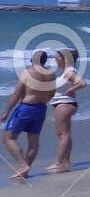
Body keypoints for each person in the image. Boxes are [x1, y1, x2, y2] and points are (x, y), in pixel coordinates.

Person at [4, 52, 54, 180]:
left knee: (9, 138)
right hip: (41, 109)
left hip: (26, 108)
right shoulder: (51, 75)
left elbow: (17, 94)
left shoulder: (28, 72)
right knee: (33, 142)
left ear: (33, 59)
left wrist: (7, 111)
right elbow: (51, 93)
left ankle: (22, 165)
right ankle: (24, 172)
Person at [46, 48, 86, 173]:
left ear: (64, 60)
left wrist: (70, 90)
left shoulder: (69, 72)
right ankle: (66, 161)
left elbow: (82, 83)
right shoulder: (66, 72)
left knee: (62, 134)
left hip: (64, 105)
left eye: (57, 58)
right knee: (65, 133)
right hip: (65, 104)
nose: (55, 60)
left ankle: (58, 162)